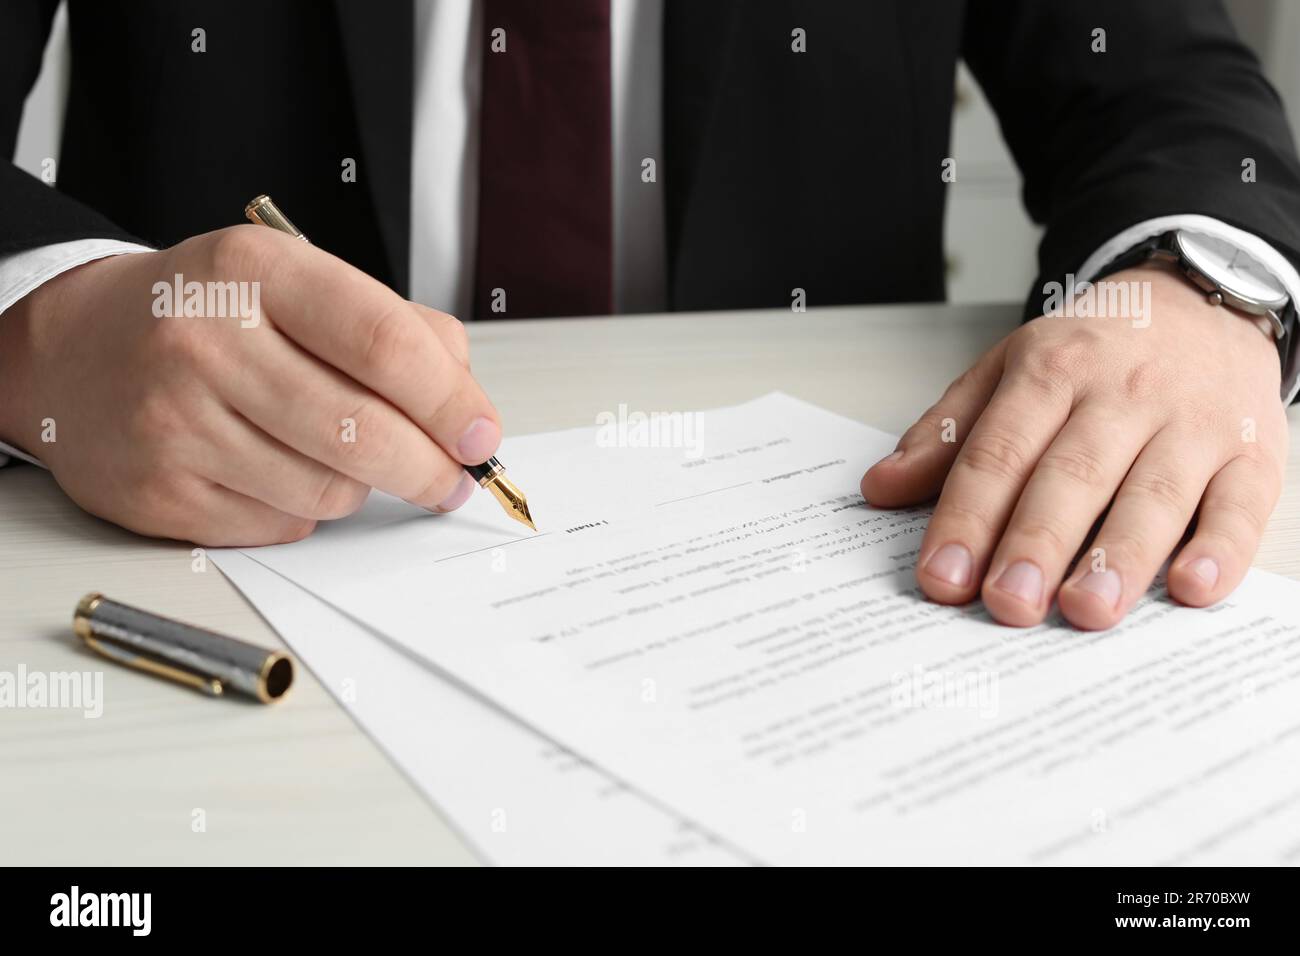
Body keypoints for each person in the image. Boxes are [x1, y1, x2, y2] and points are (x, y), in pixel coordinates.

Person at [2, 0, 1299, 633]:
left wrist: (1194, 290)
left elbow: (1166, 87)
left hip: (821, 593)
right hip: (185, 569)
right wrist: (42, 325)